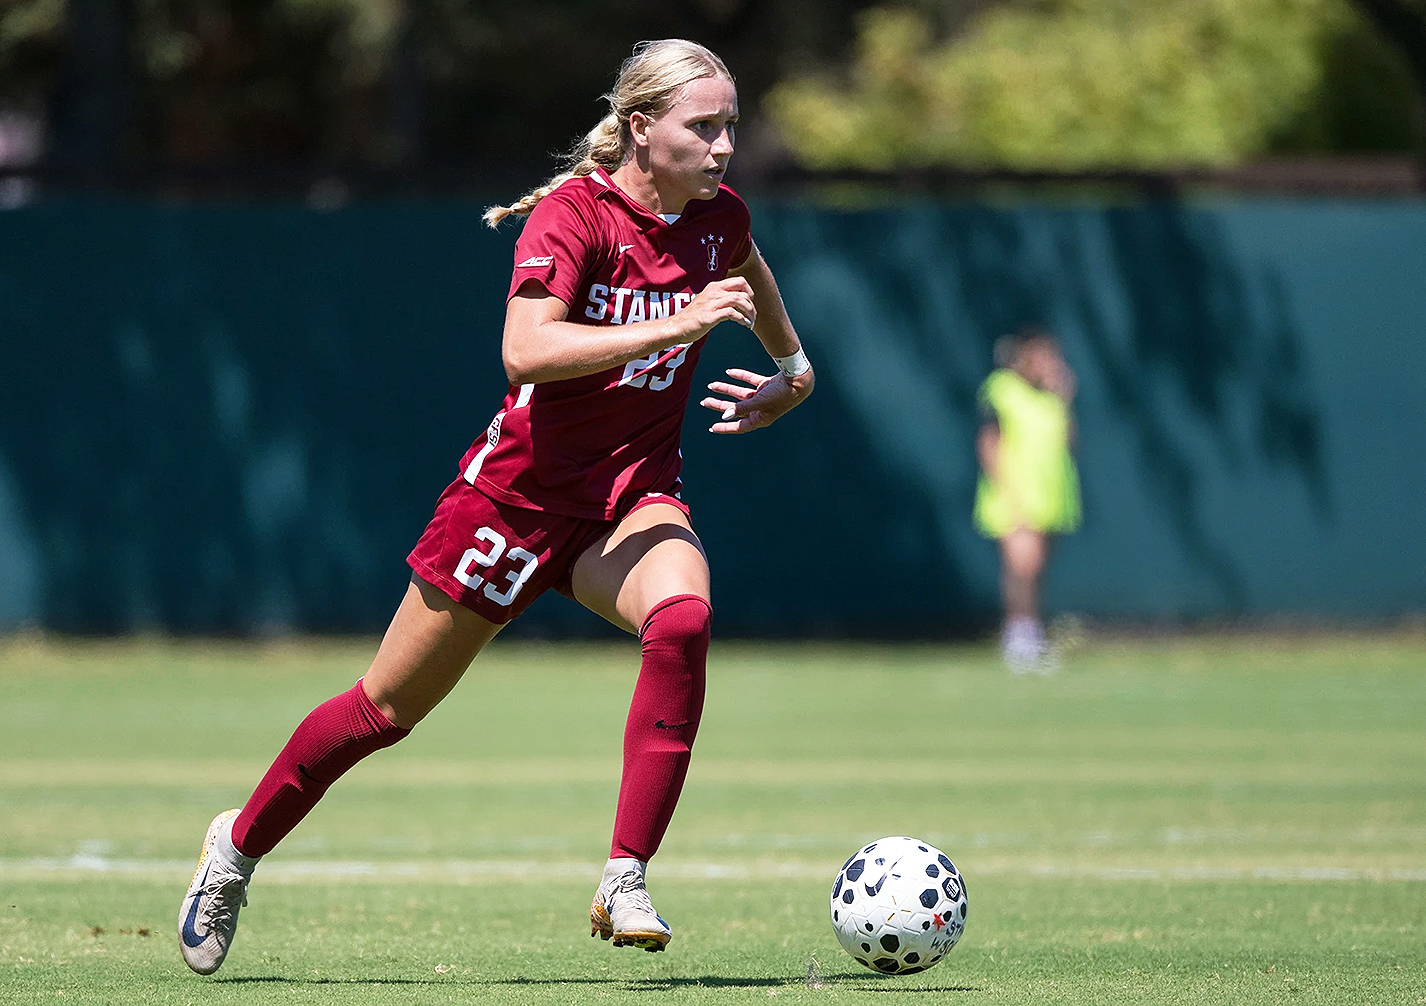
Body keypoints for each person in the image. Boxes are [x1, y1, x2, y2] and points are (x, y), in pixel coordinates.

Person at [178, 38, 814, 976]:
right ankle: (234, 850)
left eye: (730, 125)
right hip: (510, 508)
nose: (724, 145)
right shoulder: (573, 216)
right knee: (381, 711)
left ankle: (624, 875)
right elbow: (525, 350)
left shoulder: (718, 219)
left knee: (682, 619)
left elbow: (745, 268)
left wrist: (792, 367)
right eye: (704, 125)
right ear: (641, 128)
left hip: (628, 504)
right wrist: (681, 321)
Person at [973, 327, 1080, 672]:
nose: (1050, 363)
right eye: (1042, 355)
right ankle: (1018, 637)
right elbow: (989, 444)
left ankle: (1030, 635)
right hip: (1014, 497)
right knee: (1022, 567)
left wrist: (1065, 400)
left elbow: (1068, 443)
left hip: (1049, 497)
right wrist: (1009, 492)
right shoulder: (1001, 390)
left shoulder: (1053, 397)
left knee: (1038, 570)